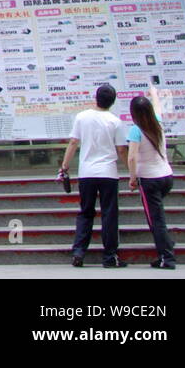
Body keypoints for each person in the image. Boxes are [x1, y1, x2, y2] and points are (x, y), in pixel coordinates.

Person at [60, 83, 129, 268]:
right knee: (109, 214)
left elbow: (74, 142)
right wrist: (131, 171)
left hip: (87, 173)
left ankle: (79, 252)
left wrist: (65, 166)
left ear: (96, 98)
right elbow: (121, 149)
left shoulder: (82, 117)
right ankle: (109, 257)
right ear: (112, 101)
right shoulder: (115, 121)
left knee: (85, 212)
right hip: (108, 173)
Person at [128, 94, 176, 269]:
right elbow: (157, 107)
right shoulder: (158, 122)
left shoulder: (136, 129)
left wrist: (132, 178)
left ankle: (167, 257)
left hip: (150, 179)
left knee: (156, 220)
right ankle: (166, 245)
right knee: (156, 217)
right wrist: (154, 93)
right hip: (166, 176)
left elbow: (132, 157)